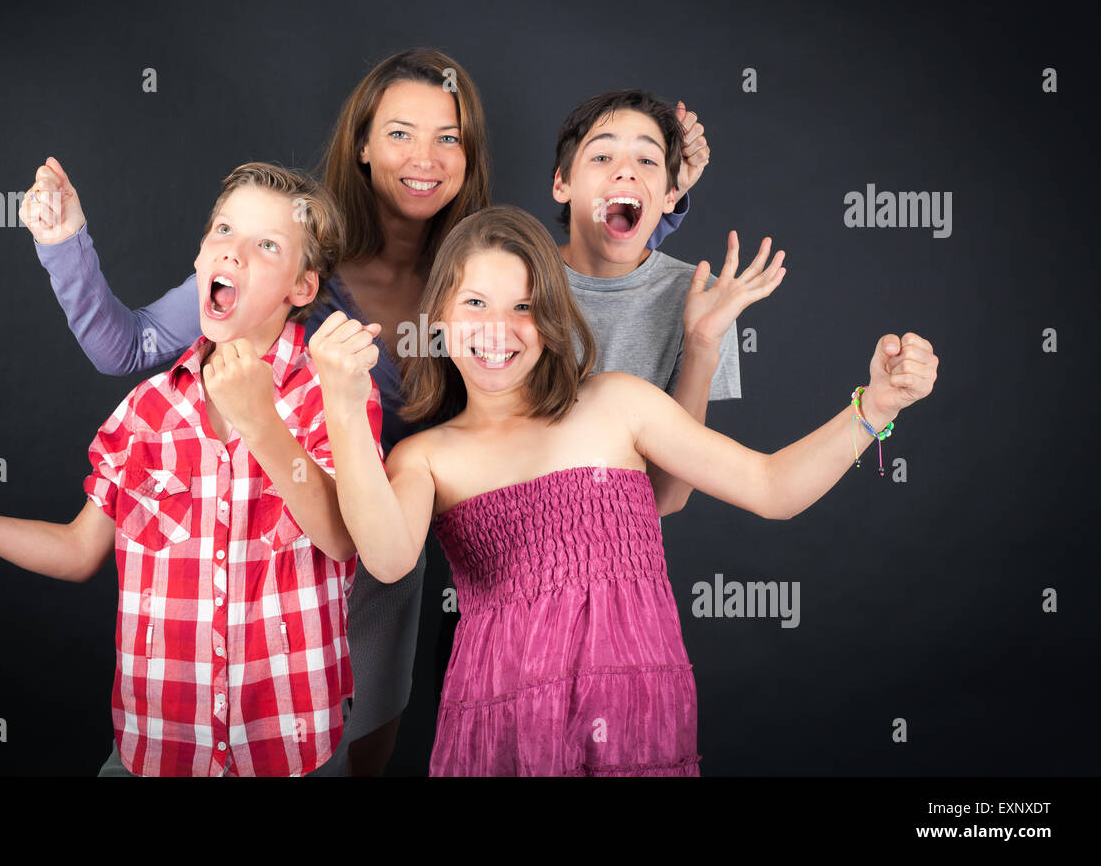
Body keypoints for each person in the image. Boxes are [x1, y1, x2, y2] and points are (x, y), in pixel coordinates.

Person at [19, 52, 711, 773]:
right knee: (219, 736)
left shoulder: (476, 272)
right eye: (401, 134)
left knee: (362, 750)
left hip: (392, 552)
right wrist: (63, 241)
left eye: (449, 138)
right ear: (361, 143)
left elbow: (570, 298)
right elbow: (126, 343)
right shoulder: (294, 253)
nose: (426, 158)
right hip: (278, 549)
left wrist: (661, 207)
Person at [310, 205, 938, 776]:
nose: (498, 329)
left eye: (524, 307)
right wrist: (341, 404)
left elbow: (770, 487)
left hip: (639, 710)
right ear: (441, 315)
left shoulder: (616, 403)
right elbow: (388, 558)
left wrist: (875, 407)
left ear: (551, 317)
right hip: (501, 724)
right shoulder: (426, 455)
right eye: (475, 304)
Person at [0, 163, 383, 776]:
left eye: (267, 245)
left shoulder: (335, 391)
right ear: (199, 259)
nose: (234, 253)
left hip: (292, 751)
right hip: (157, 752)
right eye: (223, 231)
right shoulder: (148, 410)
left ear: (303, 287)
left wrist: (261, 423)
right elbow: (81, 549)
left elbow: (344, 538)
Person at [553, 88, 784, 515]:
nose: (625, 172)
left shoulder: (701, 300)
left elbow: (666, 498)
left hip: (624, 561)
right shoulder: (513, 284)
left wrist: (701, 345)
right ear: (562, 183)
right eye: (602, 157)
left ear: (671, 196)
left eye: (646, 160)